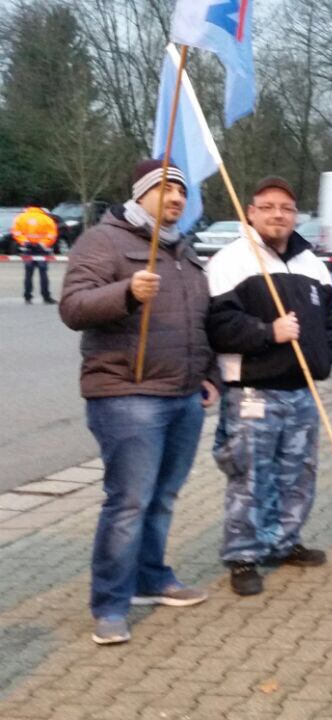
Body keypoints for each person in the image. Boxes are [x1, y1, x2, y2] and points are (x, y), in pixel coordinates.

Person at [59, 159, 218, 645]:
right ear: (141, 193)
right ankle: (110, 604)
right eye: (166, 190)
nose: (176, 199)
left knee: (163, 498)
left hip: (184, 394)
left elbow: (200, 322)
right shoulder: (103, 242)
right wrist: (126, 291)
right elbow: (73, 307)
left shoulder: (183, 251)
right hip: (127, 394)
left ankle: (152, 578)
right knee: (128, 502)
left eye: (182, 193)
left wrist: (209, 375)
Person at [206, 176, 332, 596]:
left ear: (295, 214)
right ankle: (244, 555)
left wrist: (324, 354)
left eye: (285, 207)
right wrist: (269, 332)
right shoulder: (230, 262)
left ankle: (283, 541)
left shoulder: (312, 264)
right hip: (252, 392)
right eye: (267, 207)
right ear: (250, 212)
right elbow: (218, 326)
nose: (277, 214)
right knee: (251, 476)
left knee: (298, 474)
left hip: (301, 391)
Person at [12, 205, 58, 304]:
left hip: (27, 250)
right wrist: (42, 244)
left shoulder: (20, 218)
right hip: (42, 250)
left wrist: (25, 242)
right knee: (43, 272)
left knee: (28, 273)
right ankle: (46, 297)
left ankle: (27, 297)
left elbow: (16, 232)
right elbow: (52, 234)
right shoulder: (47, 219)